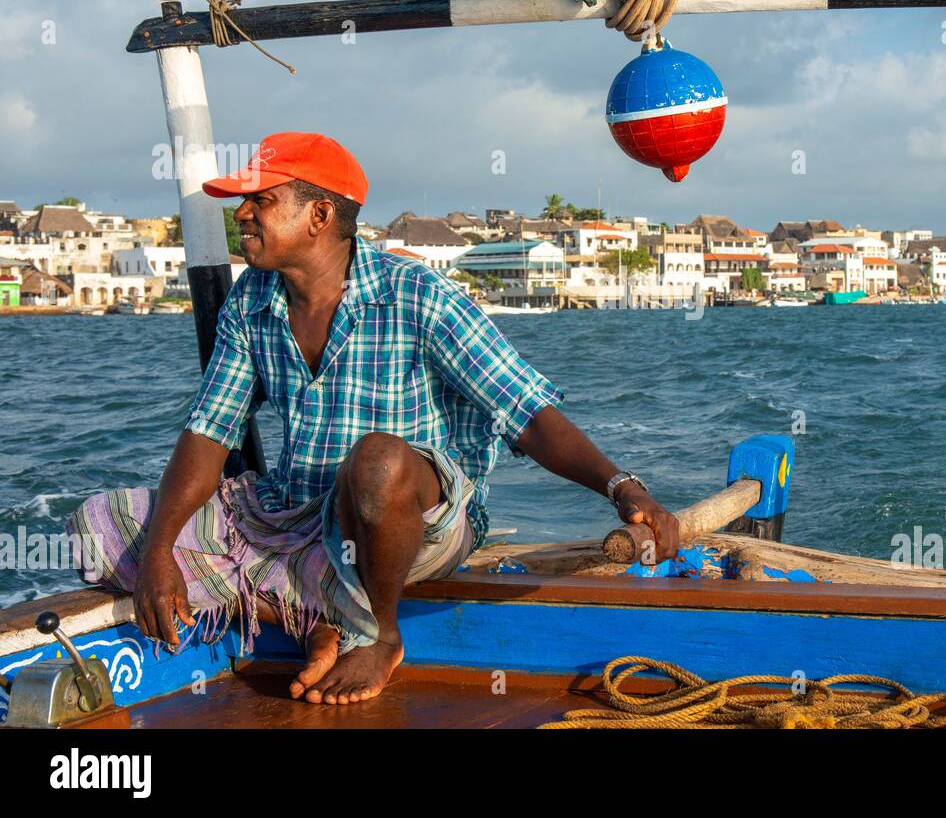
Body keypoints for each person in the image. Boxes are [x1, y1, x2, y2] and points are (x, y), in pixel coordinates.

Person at [67, 131, 680, 706]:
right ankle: (311, 615)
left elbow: (527, 413)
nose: (243, 214)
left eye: (262, 200)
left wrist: (620, 485)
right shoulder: (251, 302)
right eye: (244, 203)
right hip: (297, 514)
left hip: (408, 521)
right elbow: (207, 435)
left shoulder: (418, 293)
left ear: (319, 216)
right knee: (99, 526)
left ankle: (379, 634)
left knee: (378, 460)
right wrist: (157, 553)